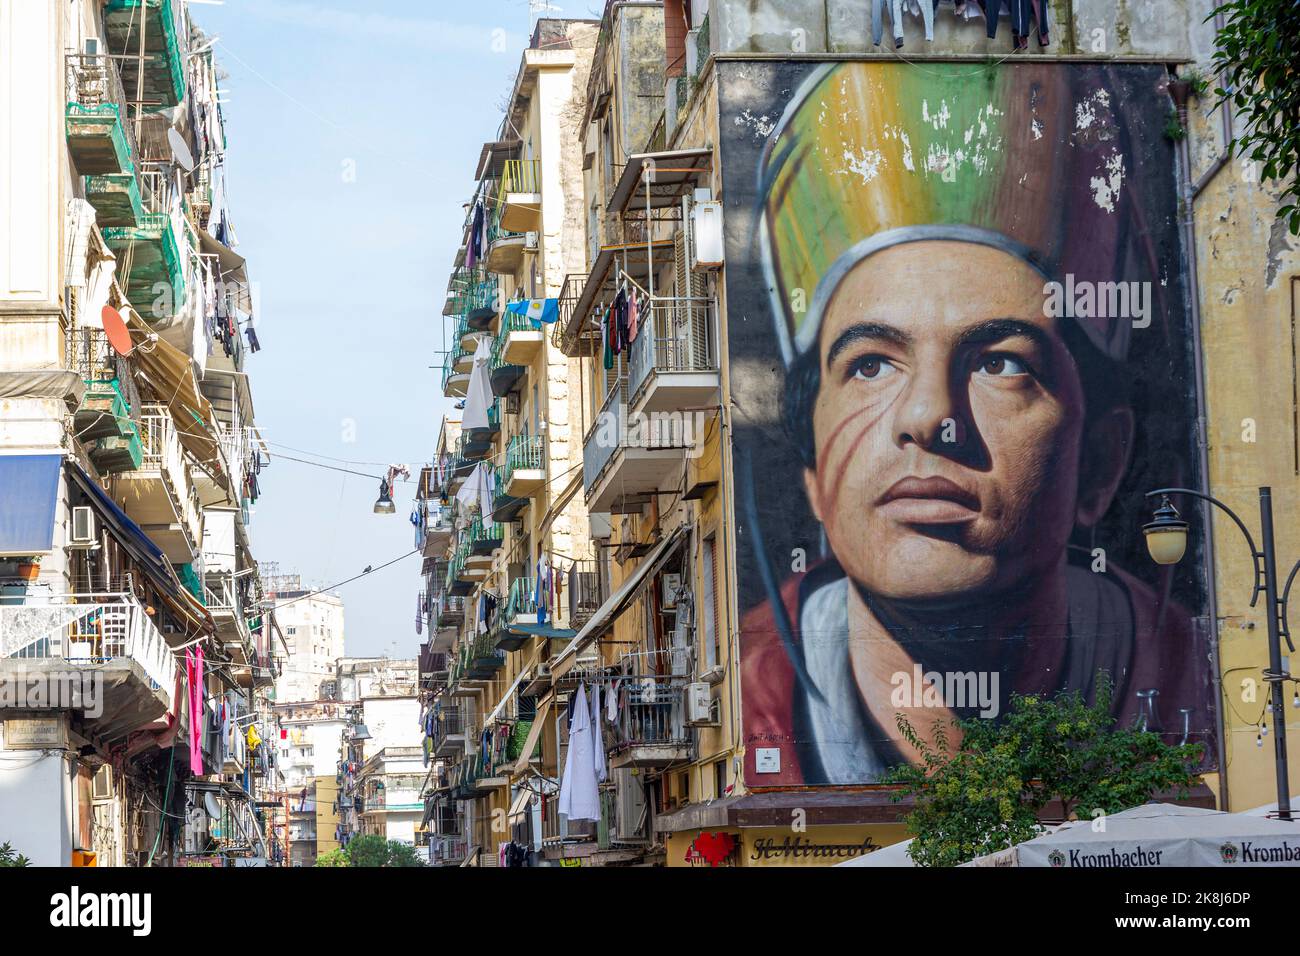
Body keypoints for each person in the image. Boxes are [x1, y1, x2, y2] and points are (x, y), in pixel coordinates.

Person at [738, 62, 1209, 785]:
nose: (929, 417)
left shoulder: (1192, 683)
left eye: (999, 363)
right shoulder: (752, 693)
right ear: (810, 474)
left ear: (1102, 461)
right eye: (870, 364)